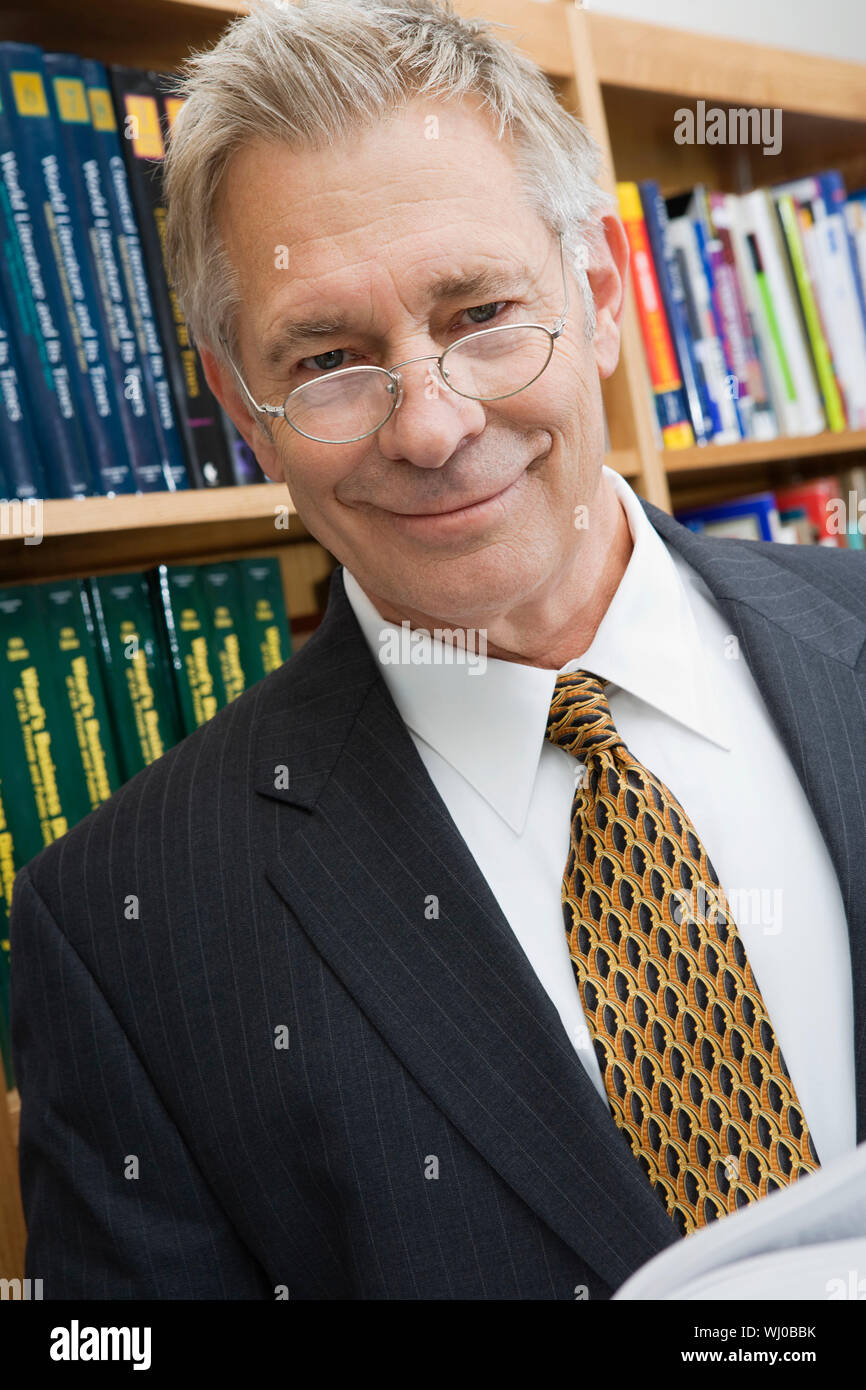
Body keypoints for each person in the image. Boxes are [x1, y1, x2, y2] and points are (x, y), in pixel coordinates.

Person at [10, 0, 865, 1300]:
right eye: (330, 358)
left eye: (478, 313)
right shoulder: (124, 936)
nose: (430, 424)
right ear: (245, 409)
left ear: (596, 298)